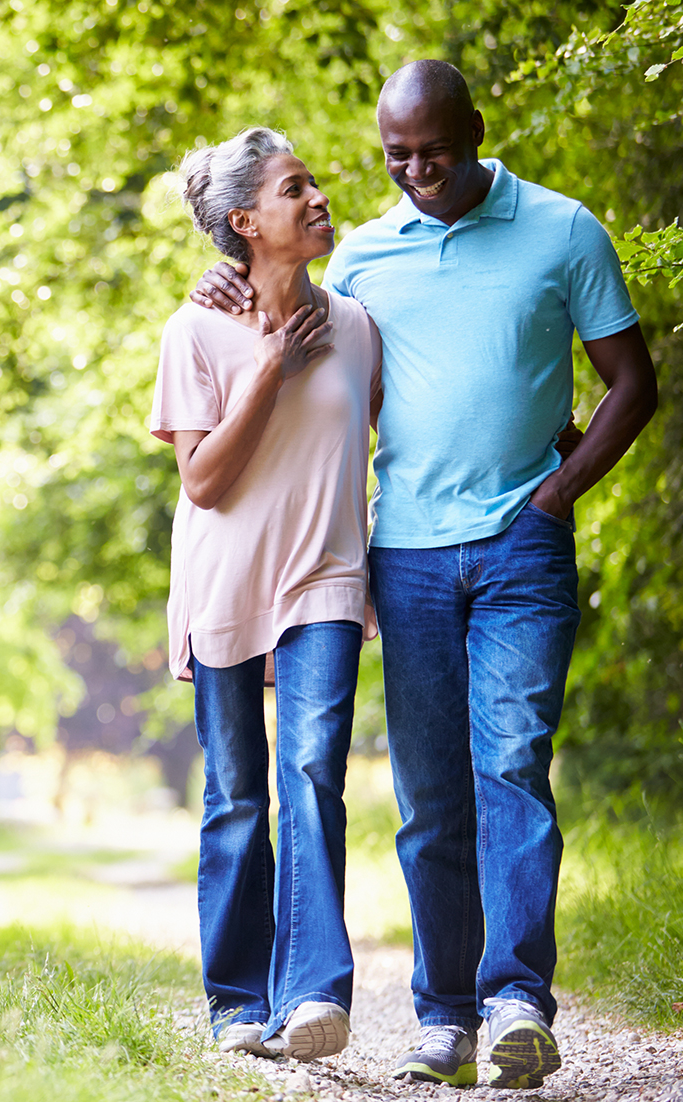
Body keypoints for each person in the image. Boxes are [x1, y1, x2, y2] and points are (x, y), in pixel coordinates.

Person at [192, 60, 657, 1089]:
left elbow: (633, 383)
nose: (415, 172)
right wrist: (224, 276)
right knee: (428, 795)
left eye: (432, 152)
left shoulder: (561, 230)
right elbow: (288, 334)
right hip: (401, 551)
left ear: (475, 132)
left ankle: (514, 1003)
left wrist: (558, 490)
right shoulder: (361, 257)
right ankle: (441, 1016)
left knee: (511, 765)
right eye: (395, 156)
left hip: (518, 546)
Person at [151, 127, 381, 1061]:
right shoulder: (194, 330)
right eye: (296, 188)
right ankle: (237, 1002)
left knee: (314, 768)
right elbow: (203, 481)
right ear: (246, 221)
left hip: (326, 574)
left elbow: (403, 434)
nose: (319, 196)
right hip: (226, 586)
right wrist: (269, 368)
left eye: (314, 182)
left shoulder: (360, 325)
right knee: (239, 793)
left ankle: (314, 995)